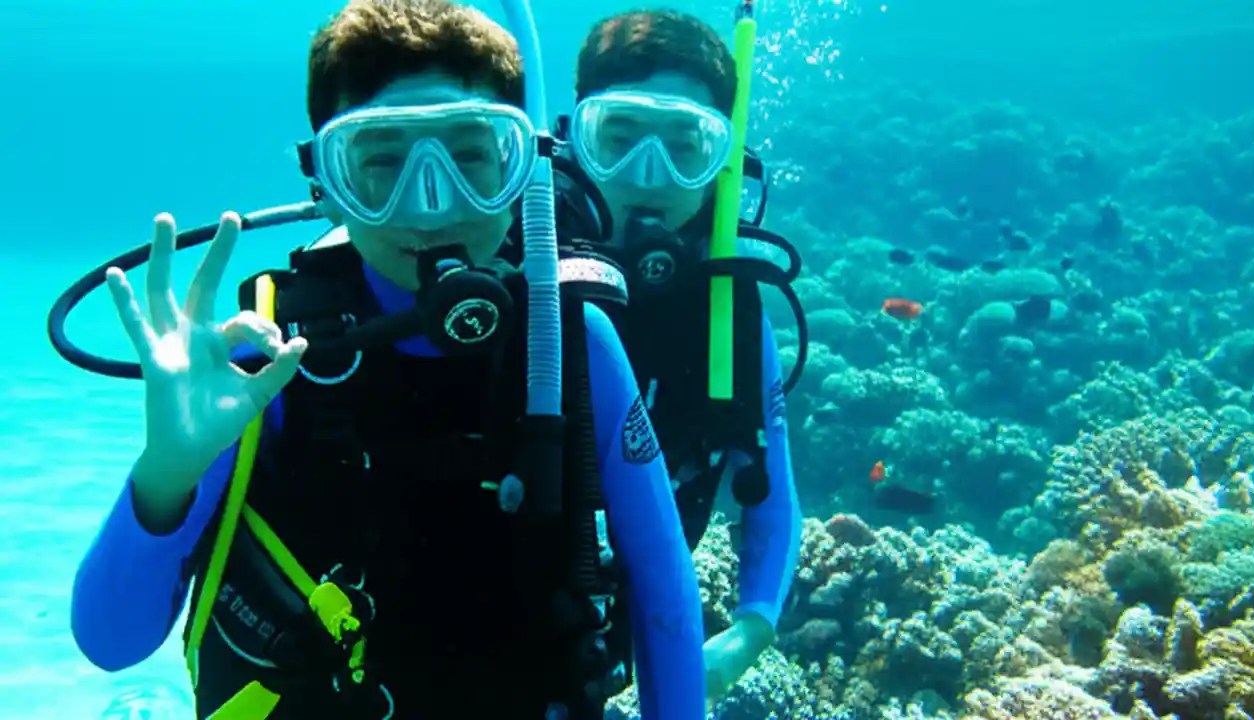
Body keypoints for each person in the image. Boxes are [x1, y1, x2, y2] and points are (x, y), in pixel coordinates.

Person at [68, 1, 706, 719]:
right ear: (327, 186)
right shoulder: (268, 360)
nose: (431, 207)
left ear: (521, 166)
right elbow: (111, 640)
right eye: (380, 164)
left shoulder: (571, 344)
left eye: (470, 158)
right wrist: (167, 472)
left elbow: (666, 604)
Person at [562, 8, 803, 705]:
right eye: (620, 137)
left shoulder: (730, 310)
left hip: (627, 637)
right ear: (575, 140)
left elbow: (774, 489)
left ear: (722, 162)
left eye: (685, 145)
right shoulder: (519, 279)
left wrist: (752, 626)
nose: (649, 173)